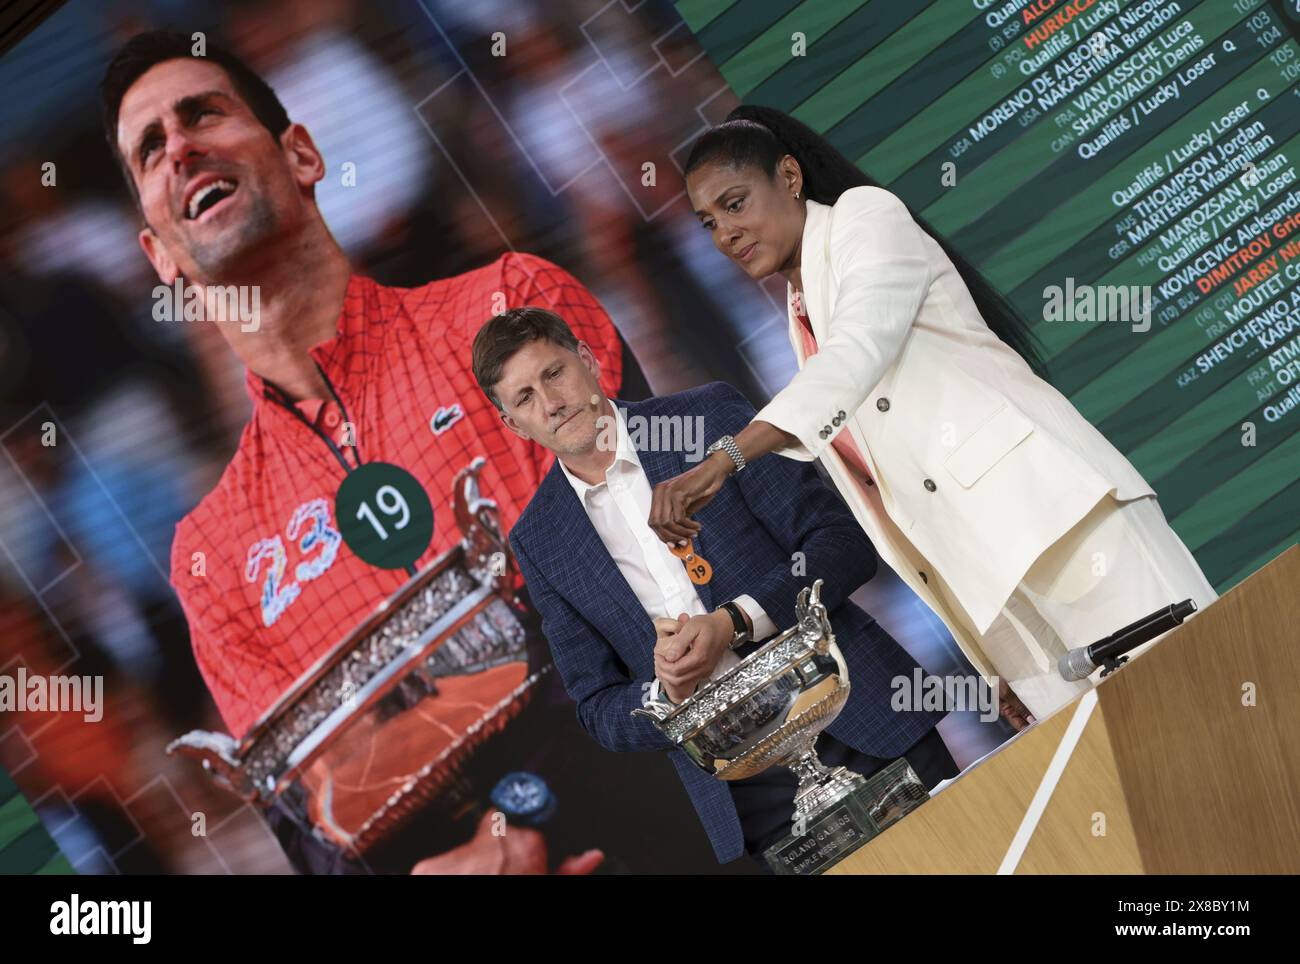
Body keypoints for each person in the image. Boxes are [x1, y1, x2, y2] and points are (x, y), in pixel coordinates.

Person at [101, 30, 656, 874]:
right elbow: (319, 827)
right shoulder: (212, 558)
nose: (179, 146)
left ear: (303, 154)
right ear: (161, 258)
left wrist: (520, 826)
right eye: (151, 149)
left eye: (203, 113)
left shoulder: (510, 310)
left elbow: (653, 578)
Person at [648, 105, 1218, 726]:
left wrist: (726, 458)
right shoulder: (799, 309)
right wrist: (984, 656)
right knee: (1128, 781)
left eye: (735, 204)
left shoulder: (866, 217)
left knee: (1208, 703)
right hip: (993, 599)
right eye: (708, 222)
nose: (725, 234)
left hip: (1059, 521)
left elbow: (857, 353)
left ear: (789, 177)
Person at [472, 306, 958, 866]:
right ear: (513, 423)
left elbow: (839, 545)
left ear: (587, 360)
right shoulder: (540, 539)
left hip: (854, 712)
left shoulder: (705, 419)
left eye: (553, 373)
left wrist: (736, 621)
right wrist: (666, 696)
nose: (550, 403)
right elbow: (596, 706)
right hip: (747, 794)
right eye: (525, 398)